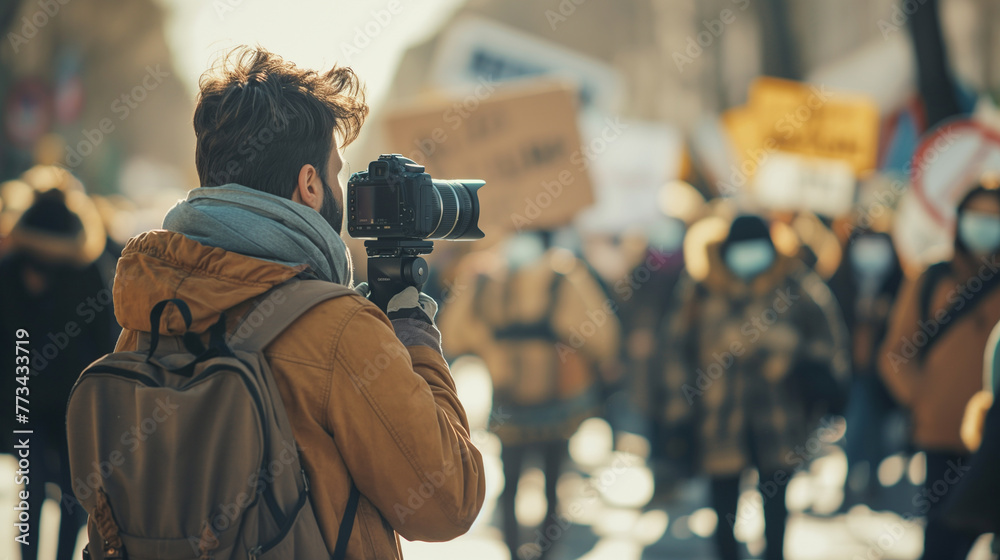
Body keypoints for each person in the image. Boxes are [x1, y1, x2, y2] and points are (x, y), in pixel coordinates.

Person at [99, 47, 485, 559]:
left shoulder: (151, 311)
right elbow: (449, 501)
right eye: (337, 173)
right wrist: (414, 340)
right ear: (309, 184)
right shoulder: (337, 330)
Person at [658, 215, 849, 560]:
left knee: (776, 505)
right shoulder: (700, 288)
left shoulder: (794, 283)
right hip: (717, 418)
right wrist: (677, 413)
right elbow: (676, 351)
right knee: (723, 506)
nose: (749, 255)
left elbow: (829, 338)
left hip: (780, 417)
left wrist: (798, 359)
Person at [439, 231, 620, 560]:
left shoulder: (490, 278)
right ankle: (543, 552)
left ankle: (518, 553)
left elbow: (454, 333)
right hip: (547, 401)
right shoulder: (562, 275)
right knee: (548, 483)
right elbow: (600, 332)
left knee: (515, 483)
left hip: (519, 398)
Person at [879, 179, 1000, 560]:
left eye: (994, 217)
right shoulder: (931, 276)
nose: (984, 224)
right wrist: (923, 401)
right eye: (976, 215)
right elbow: (896, 353)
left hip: (995, 439)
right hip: (940, 437)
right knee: (943, 541)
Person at [0, 181, 113, 560]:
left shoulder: (15, 268)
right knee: (63, 491)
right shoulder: (86, 267)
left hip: (42, 400)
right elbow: (108, 340)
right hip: (62, 403)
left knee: (53, 490)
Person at [828, 226, 905, 508]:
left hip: (885, 371)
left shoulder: (901, 283)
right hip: (851, 370)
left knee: (875, 426)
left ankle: (868, 478)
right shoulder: (840, 280)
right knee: (857, 422)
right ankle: (855, 480)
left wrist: (886, 315)